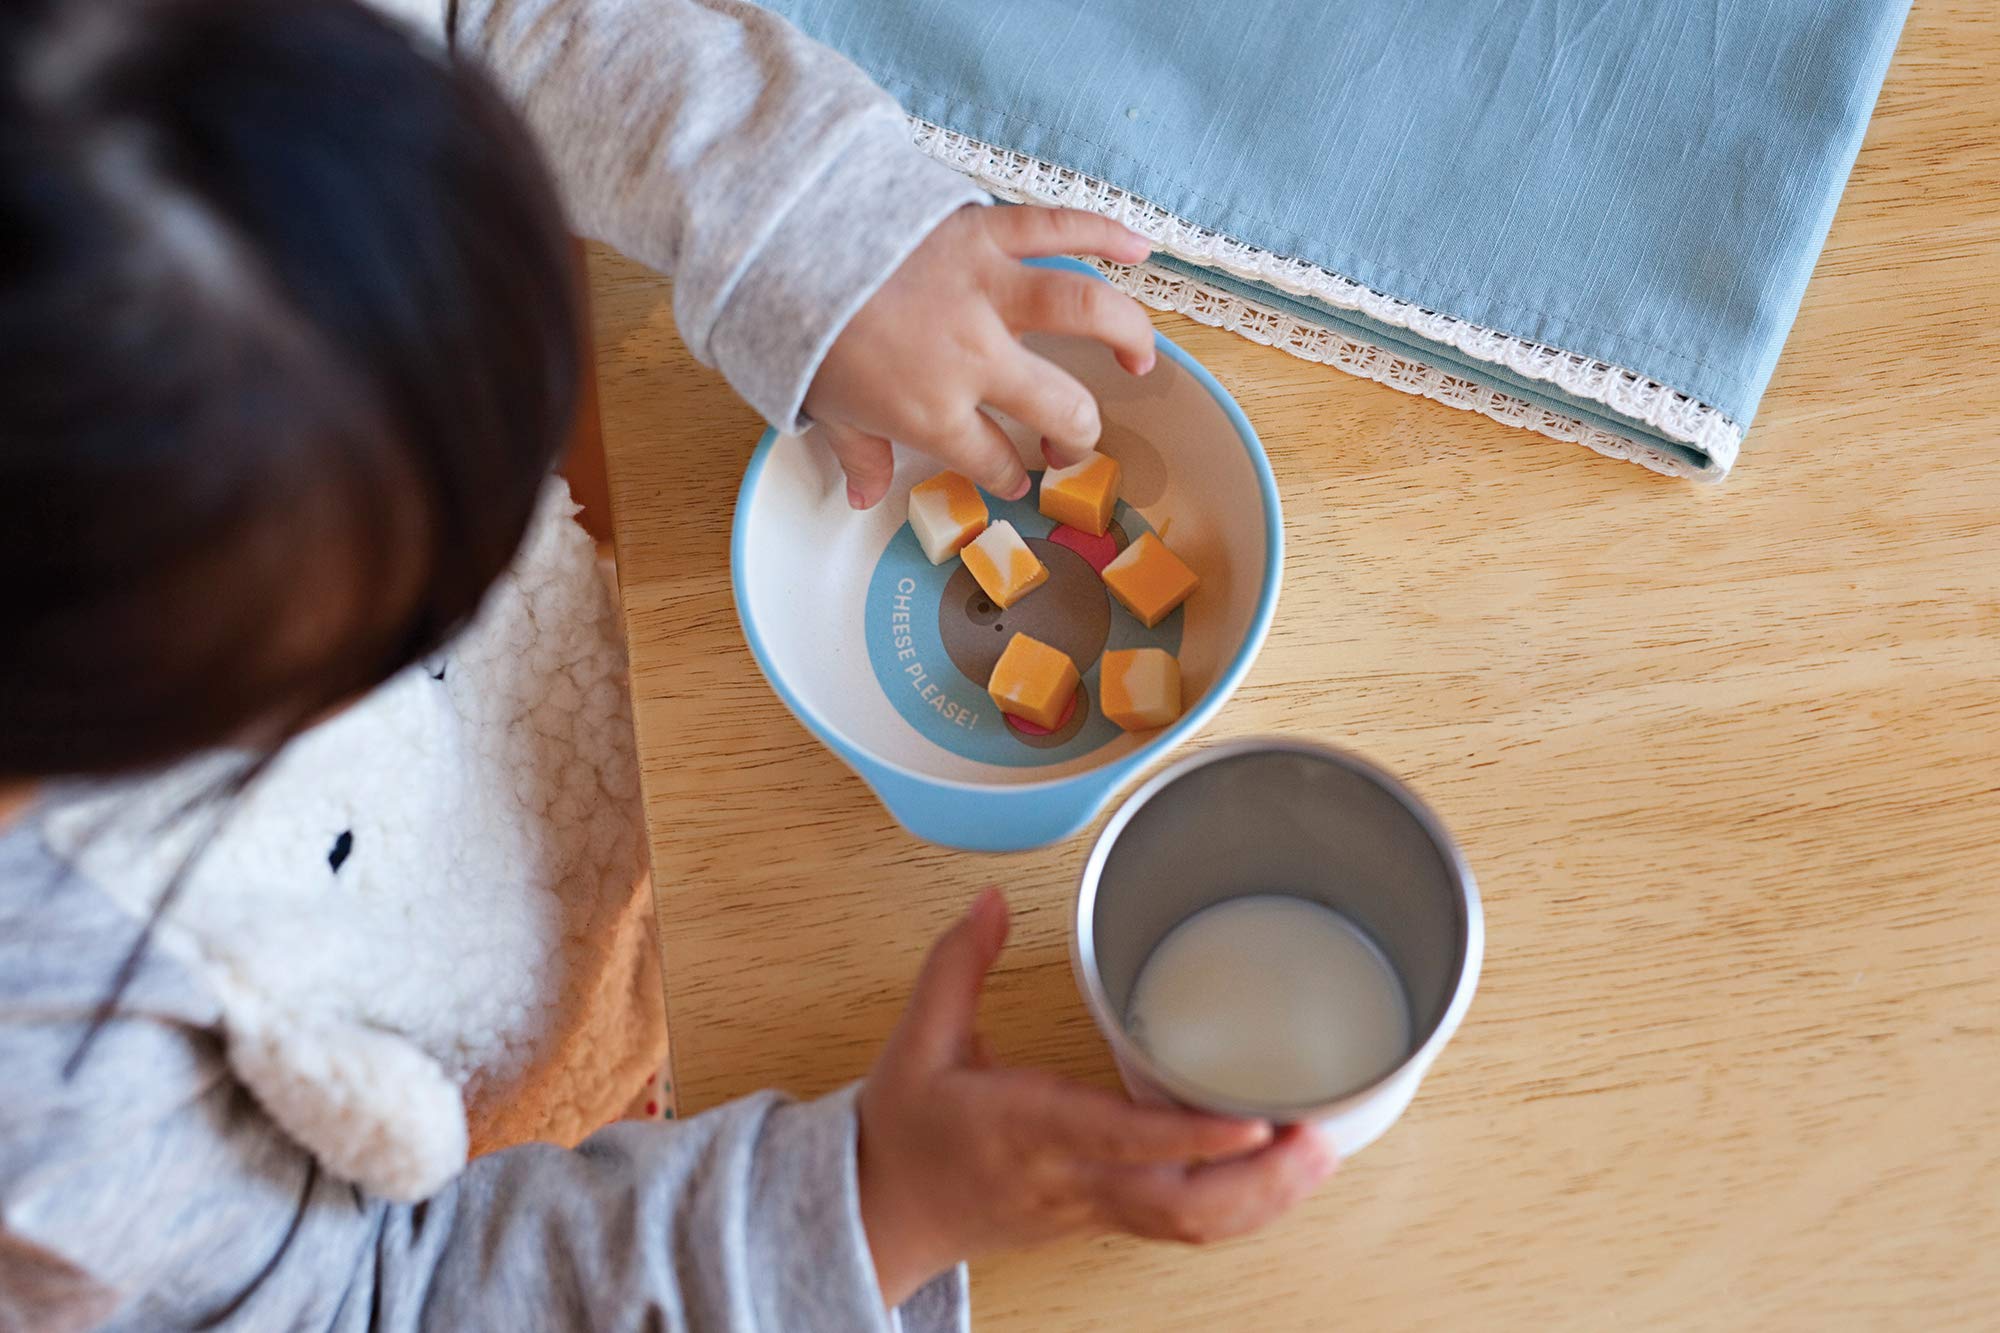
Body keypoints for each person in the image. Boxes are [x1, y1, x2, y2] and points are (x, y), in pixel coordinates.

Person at [0, 0, 1339, 1328]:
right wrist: (879, 1207)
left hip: (609, 867)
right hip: (489, 1158)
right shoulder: (50, 1115)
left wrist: (822, 233)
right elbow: (372, 1301)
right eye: (393, 629)